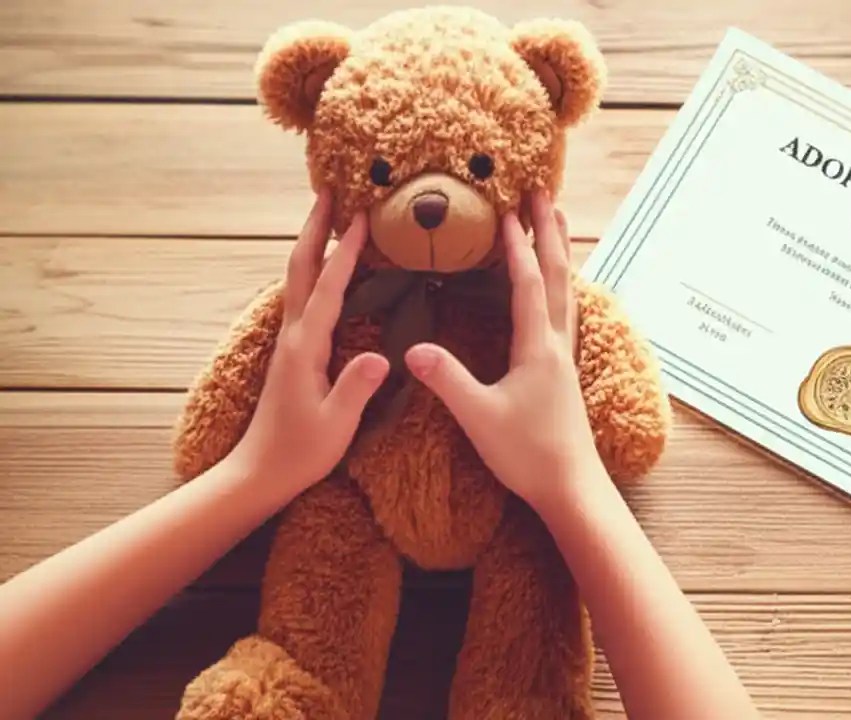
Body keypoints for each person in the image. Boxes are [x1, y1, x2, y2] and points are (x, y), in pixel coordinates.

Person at [0, 191, 759, 720]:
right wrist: (574, 485)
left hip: (507, 512)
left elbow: (633, 425)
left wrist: (249, 477)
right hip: (356, 491)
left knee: (529, 622)